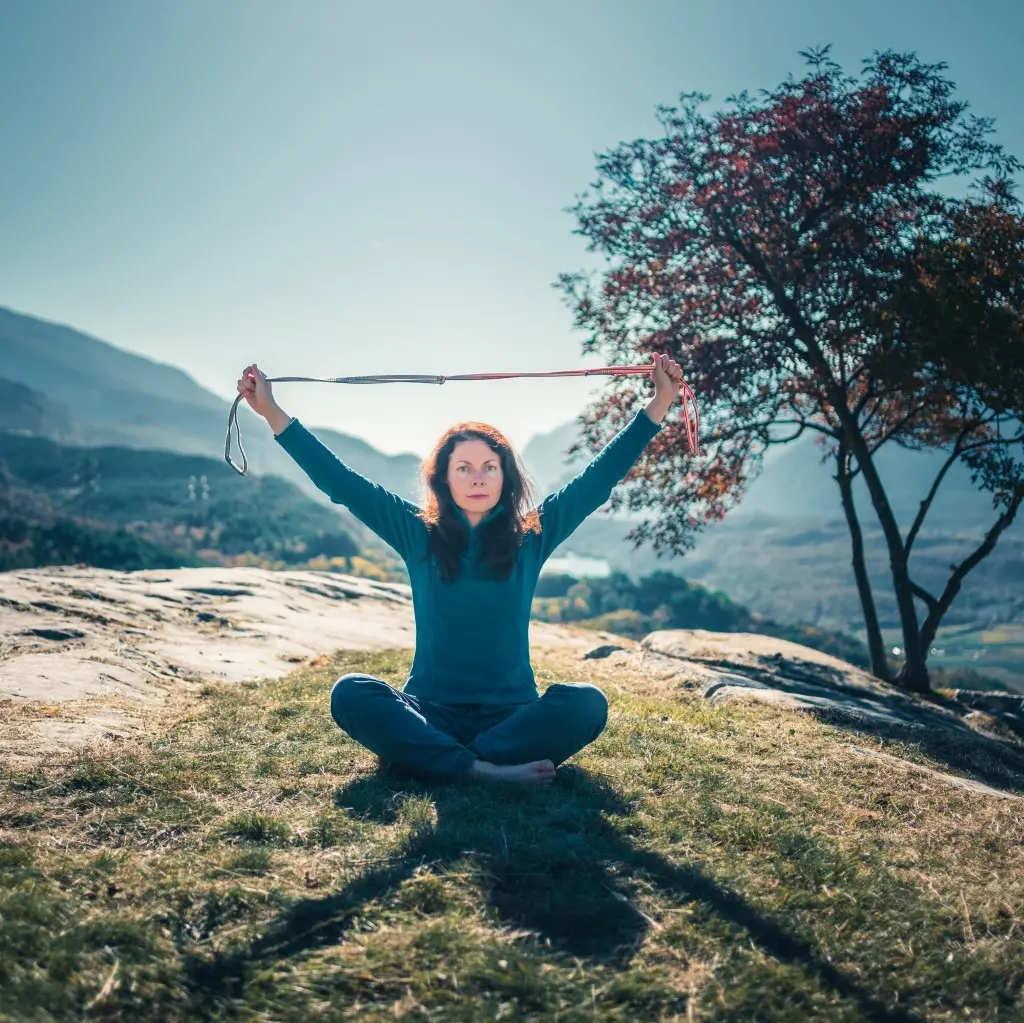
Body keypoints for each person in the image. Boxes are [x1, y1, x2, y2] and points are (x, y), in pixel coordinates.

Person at [236, 354, 685, 785]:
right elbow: (340, 482)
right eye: (464, 467)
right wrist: (272, 412)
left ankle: (438, 760)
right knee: (350, 692)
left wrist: (659, 403)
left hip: (513, 714)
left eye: (490, 467)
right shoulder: (417, 533)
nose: (477, 477)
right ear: (443, 478)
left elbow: (597, 478)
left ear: (506, 478)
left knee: (587, 704)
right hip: (430, 710)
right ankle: (484, 769)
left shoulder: (533, 535)